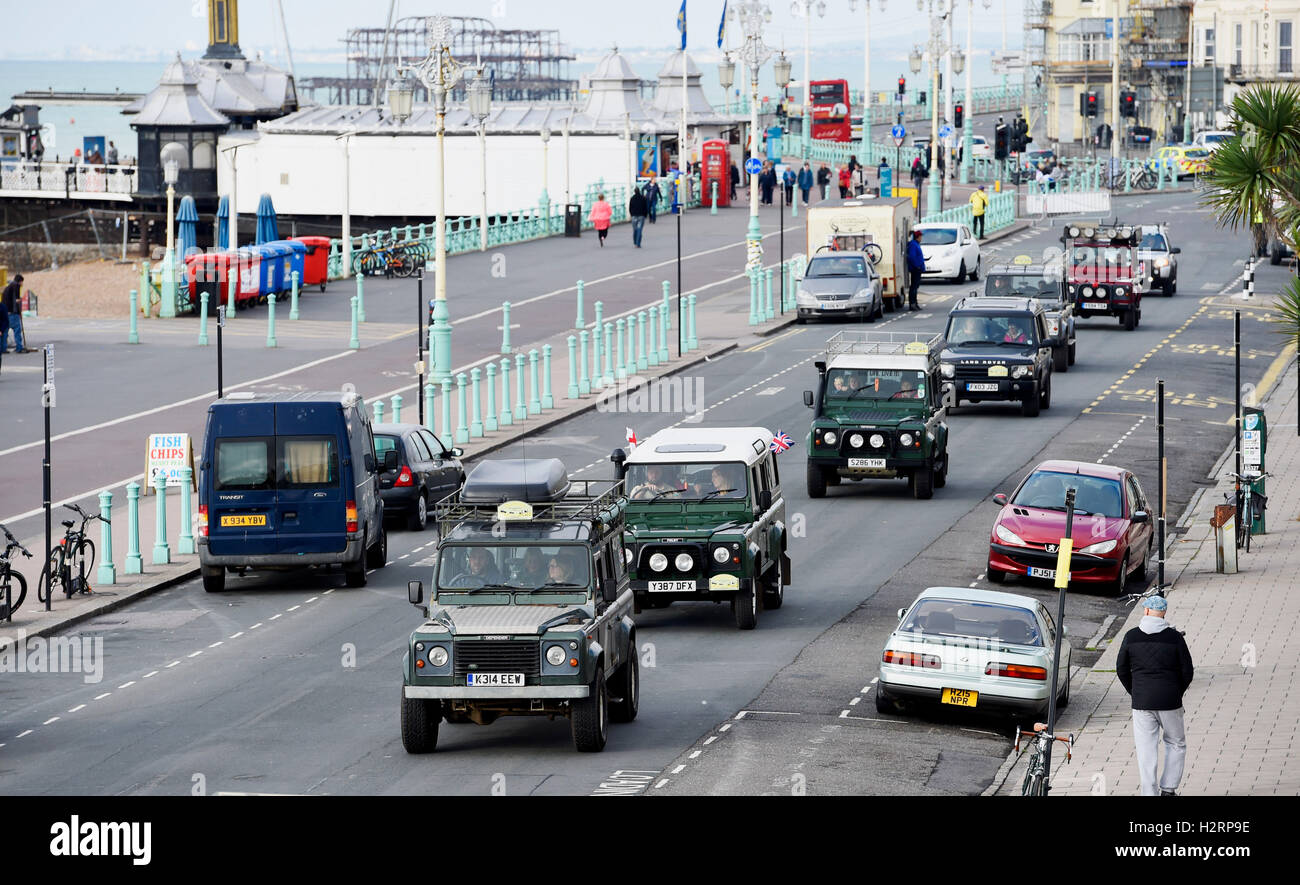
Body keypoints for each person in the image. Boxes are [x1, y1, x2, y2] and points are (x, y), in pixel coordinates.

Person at [1116, 594, 1195, 796]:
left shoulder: (1131, 636)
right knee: (1176, 742)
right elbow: (1187, 670)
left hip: (1142, 702)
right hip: (1170, 700)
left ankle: (1148, 792)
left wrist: (1135, 691)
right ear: (1163, 614)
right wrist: (1177, 691)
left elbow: (1121, 668)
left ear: (1146, 611)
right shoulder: (1175, 637)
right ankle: (1168, 789)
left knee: (1146, 749)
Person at [1, 274, 26, 354]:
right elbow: (17, 301)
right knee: (17, 329)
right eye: (22, 282)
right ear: (20, 281)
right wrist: (18, 312)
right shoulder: (16, 286)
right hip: (12, 312)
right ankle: (19, 347)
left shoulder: (8, 287)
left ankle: (2, 348)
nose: (22, 284)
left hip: (5, 312)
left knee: (5, 331)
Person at [905, 229, 925, 311]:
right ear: (918, 237)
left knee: (915, 287)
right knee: (913, 287)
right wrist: (917, 266)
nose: (921, 238)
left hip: (917, 269)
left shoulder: (916, 244)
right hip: (915, 269)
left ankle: (915, 303)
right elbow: (912, 257)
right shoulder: (913, 245)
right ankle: (912, 304)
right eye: (921, 236)